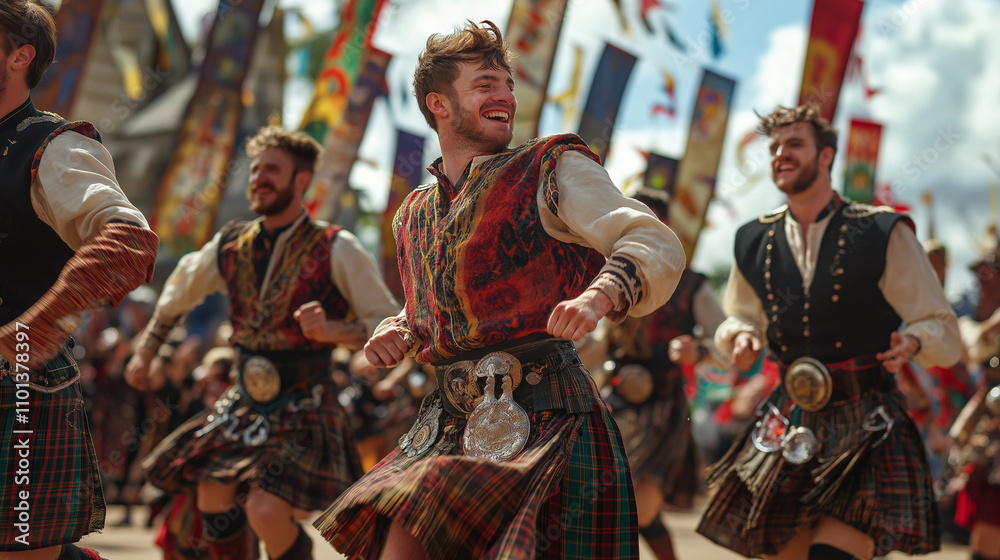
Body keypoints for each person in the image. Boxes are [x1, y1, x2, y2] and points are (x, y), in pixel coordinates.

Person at [312, 20, 685, 560]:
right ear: (439, 104)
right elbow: (427, 311)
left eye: (508, 85)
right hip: (447, 419)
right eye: (485, 84)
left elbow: (651, 239)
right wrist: (399, 331)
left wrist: (599, 294)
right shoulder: (412, 213)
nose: (505, 96)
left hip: (547, 414)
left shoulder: (551, 167)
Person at [696, 104, 962, 560]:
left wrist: (915, 340)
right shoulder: (752, 238)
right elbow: (740, 315)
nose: (781, 154)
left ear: (826, 155)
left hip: (866, 417)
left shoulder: (881, 230)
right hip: (789, 415)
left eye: (795, 144)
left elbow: (942, 325)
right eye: (774, 147)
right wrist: (740, 336)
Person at [125, 125, 400, 560]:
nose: (259, 178)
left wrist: (334, 331)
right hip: (243, 396)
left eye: (271, 170)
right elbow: (179, 292)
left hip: (305, 398)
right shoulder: (231, 243)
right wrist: (146, 352)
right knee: (212, 495)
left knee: (265, 509)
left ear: (301, 180)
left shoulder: (336, 246)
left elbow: (388, 323)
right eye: (255, 170)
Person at [0, 2, 159, 559]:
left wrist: (38, 326)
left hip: (18, 388)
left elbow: (129, 243)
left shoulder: (54, 147)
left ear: (20, 56)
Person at [601, 187, 727, 560]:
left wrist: (699, 351)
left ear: (664, 228)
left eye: (649, 222)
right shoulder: (606, 277)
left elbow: (726, 343)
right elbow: (595, 344)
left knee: (637, 509)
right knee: (613, 505)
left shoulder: (692, 285)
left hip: (664, 408)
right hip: (616, 404)